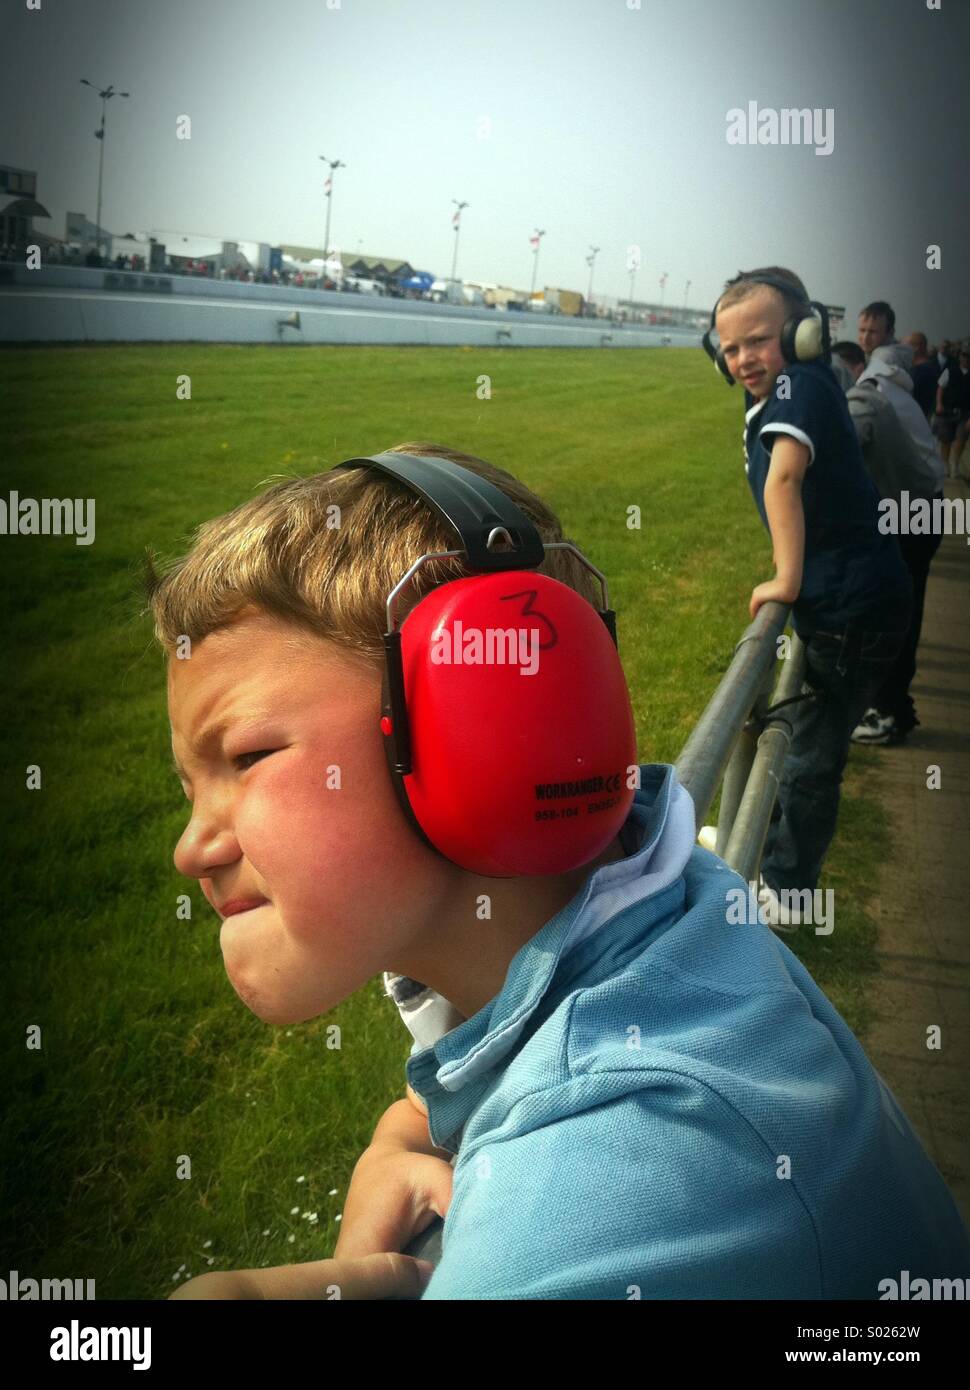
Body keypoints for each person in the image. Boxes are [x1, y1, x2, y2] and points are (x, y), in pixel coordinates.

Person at [145, 439, 969, 1299]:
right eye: (187, 783)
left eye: (244, 757)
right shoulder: (664, 911)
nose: (190, 846)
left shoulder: (627, 1173)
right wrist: (406, 1133)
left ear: (493, 727)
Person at [711, 268, 913, 916]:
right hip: (851, 604)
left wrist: (785, 579)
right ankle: (762, 848)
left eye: (759, 341)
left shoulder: (798, 383)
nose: (744, 359)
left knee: (810, 758)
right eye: (731, 347)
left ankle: (788, 893)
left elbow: (785, 481)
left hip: (850, 611)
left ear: (802, 335)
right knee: (796, 736)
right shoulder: (792, 387)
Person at [830, 342, 942, 745]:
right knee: (903, 617)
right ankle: (896, 710)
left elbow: (839, 453)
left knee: (894, 619)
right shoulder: (893, 389)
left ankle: (888, 714)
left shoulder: (864, 396)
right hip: (923, 511)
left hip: (910, 518)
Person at [934, 342, 970, 479]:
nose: (966, 358)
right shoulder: (950, 370)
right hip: (947, 411)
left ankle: (955, 463)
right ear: (960, 356)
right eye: (964, 355)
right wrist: (938, 404)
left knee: (961, 439)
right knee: (945, 440)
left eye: (968, 356)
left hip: (965, 413)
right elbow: (940, 388)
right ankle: (945, 465)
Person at [903, 330, 942, 420]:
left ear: (916, 347)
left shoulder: (920, 372)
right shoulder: (933, 366)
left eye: (905, 346)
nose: (902, 349)